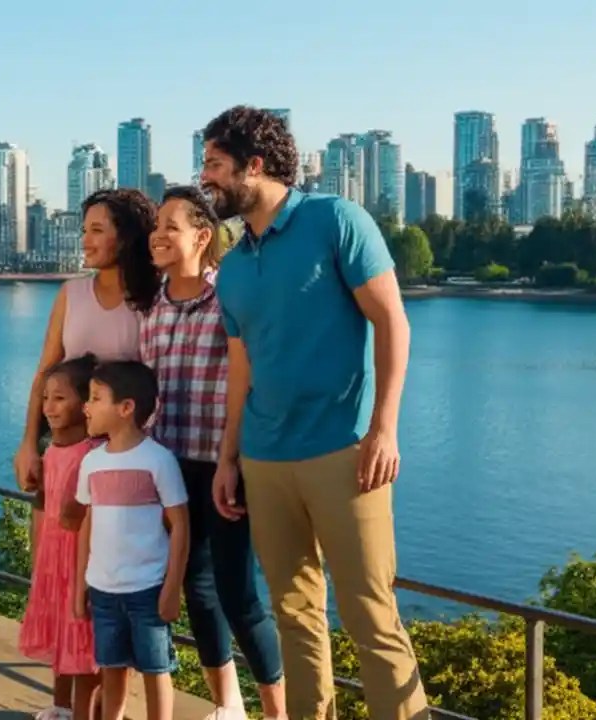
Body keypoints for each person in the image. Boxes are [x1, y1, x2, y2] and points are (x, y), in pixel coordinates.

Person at [200, 105, 430, 720]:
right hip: (265, 459)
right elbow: (240, 369)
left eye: (215, 165)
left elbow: (391, 320)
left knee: (369, 614)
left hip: (343, 451)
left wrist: (384, 427)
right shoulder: (233, 266)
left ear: (254, 165)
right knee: (294, 615)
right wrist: (228, 457)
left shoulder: (335, 220)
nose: (206, 179)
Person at [141, 185, 288, 720]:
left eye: (170, 226)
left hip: (224, 462)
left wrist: (236, 458)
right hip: (169, 464)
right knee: (195, 588)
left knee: (238, 593)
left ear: (203, 236)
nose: (157, 235)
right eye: (155, 226)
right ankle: (229, 706)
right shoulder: (152, 305)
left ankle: (278, 711)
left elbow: (251, 379)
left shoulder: (229, 295)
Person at [13, 187, 160, 712]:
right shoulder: (70, 295)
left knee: (103, 592)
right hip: (61, 464)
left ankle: (101, 708)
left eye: (98, 230)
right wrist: (29, 442)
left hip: (121, 475)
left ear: (127, 238)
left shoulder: (150, 301)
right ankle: (62, 705)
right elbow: (44, 372)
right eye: (85, 230)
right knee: (55, 582)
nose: (87, 240)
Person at [73, 361, 189, 720]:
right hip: (104, 590)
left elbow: (181, 525)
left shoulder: (158, 460)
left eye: (95, 398)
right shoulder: (91, 463)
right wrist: (80, 587)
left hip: (147, 590)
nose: (86, 406)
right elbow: (86, 527)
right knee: (111, 669)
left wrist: (172, 589)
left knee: (156, 670)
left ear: (126, 408)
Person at [19, 354, 105, 720]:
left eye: (59, 398)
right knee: (60, 634)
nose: (49, 407)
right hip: (53, 562)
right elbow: (41, 507)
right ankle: (61, 705)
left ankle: (89, 712)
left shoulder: (92, 454)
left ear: (85, 405)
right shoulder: (51, 451)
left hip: (81, 562)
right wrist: (37, 558)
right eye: (45, 398)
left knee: (83, 641)